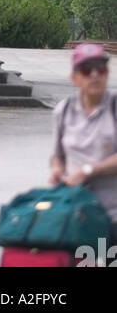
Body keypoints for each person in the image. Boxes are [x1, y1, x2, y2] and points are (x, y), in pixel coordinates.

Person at [49, 42, 117, 243]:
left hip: (112, 216)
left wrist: (87, 171)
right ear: (74, 78)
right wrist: (57, 170)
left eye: (100, 68)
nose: (95, 74)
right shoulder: (63, 111)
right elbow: (58, 156)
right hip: (76, 214)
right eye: (87, 69)